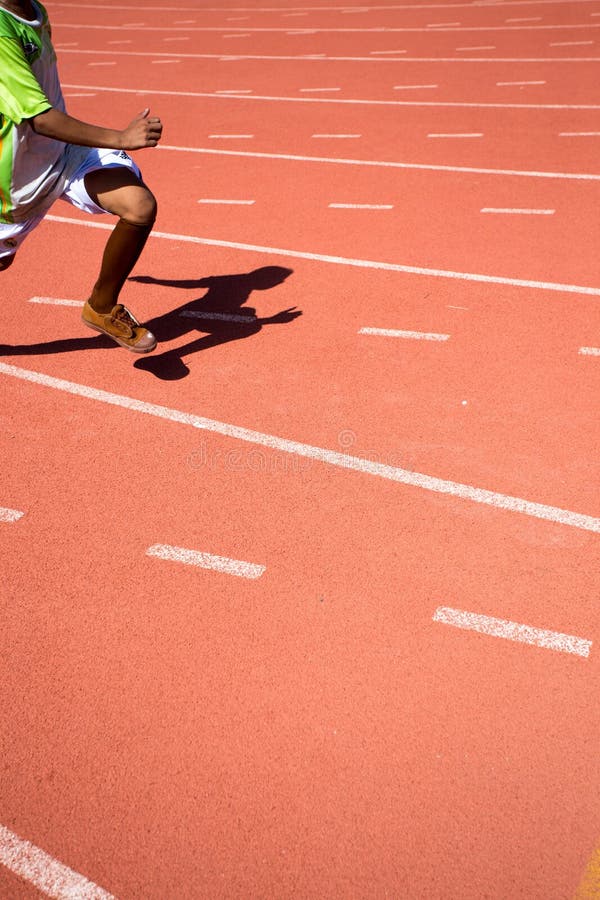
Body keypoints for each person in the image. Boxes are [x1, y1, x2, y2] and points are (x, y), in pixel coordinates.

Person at [0, 0, 162, 352]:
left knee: (139, 206)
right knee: (3, 261)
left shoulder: (35, 10)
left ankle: (102, 307)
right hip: (16, 178)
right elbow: (38, 118)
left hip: (66, 153)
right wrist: (121, 138)